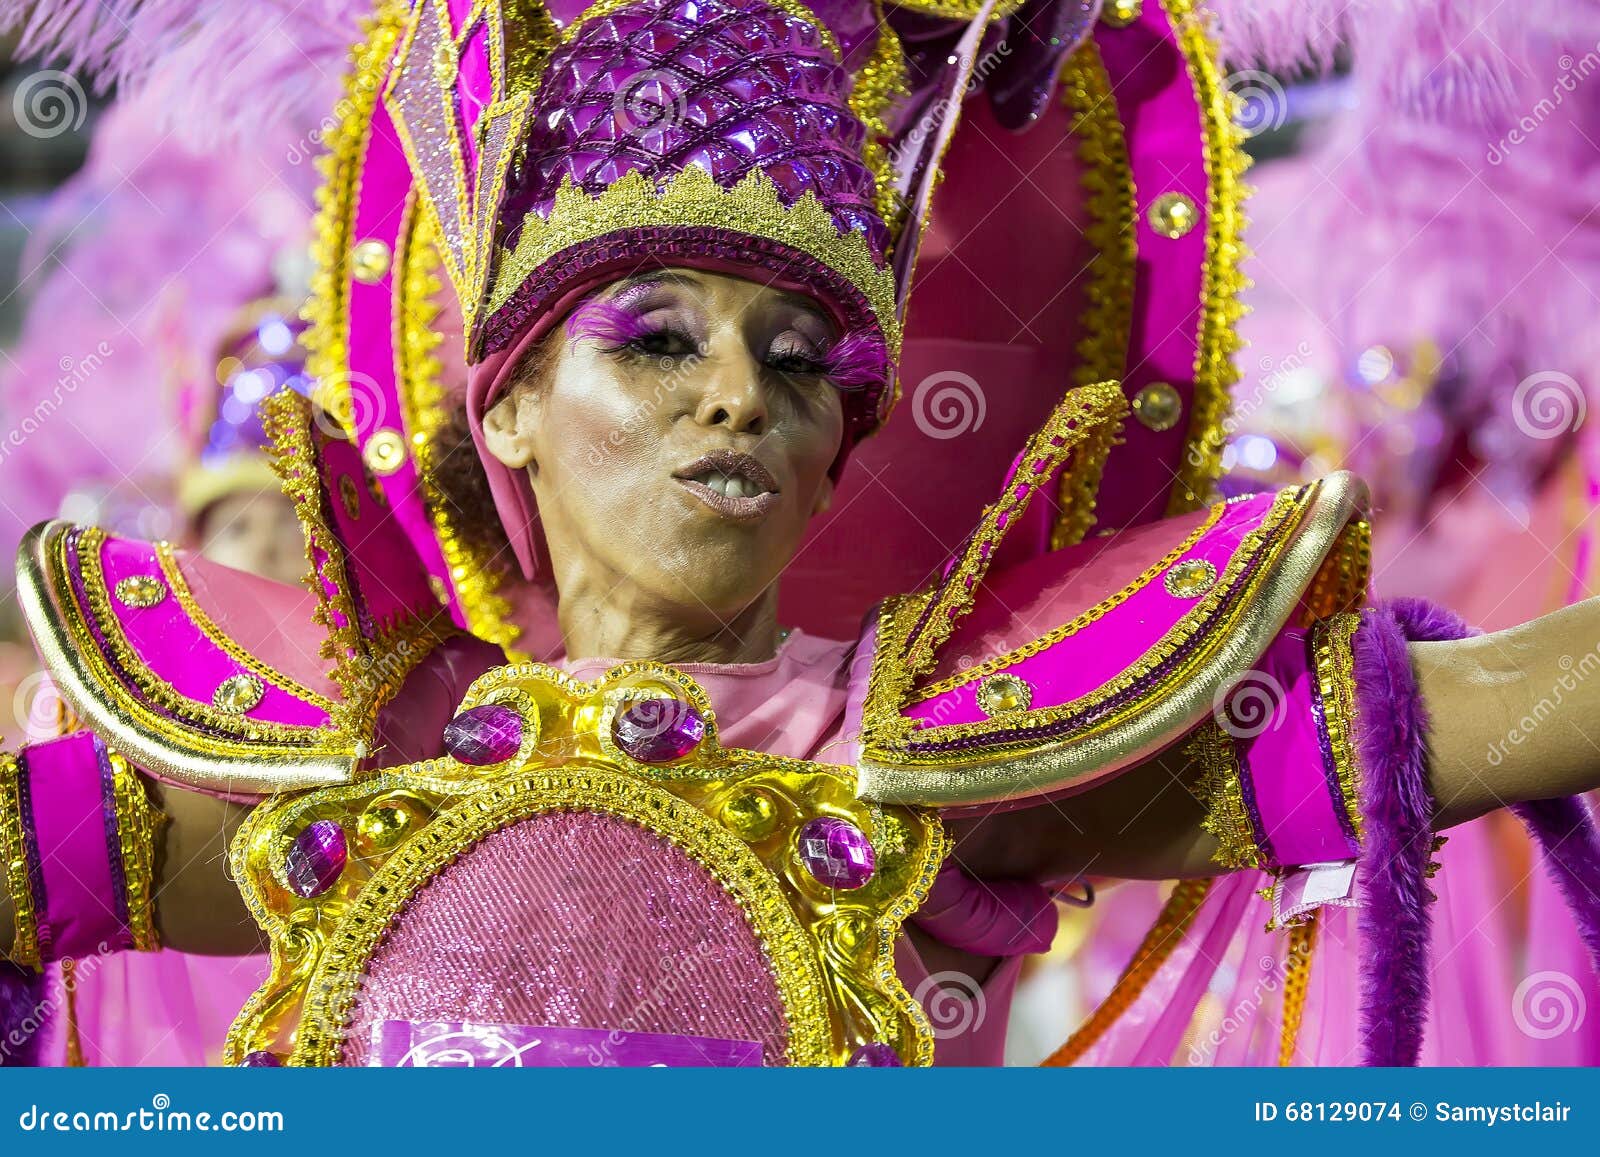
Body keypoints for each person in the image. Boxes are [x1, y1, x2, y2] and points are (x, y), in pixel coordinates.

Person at [3, 0, 1599, 1067]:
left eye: (797, 364)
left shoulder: (947, 765)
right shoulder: (351, 770)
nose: (735, 398)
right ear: (510, 407)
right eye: (653, 340)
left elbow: (1498, 712)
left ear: (841, 447)